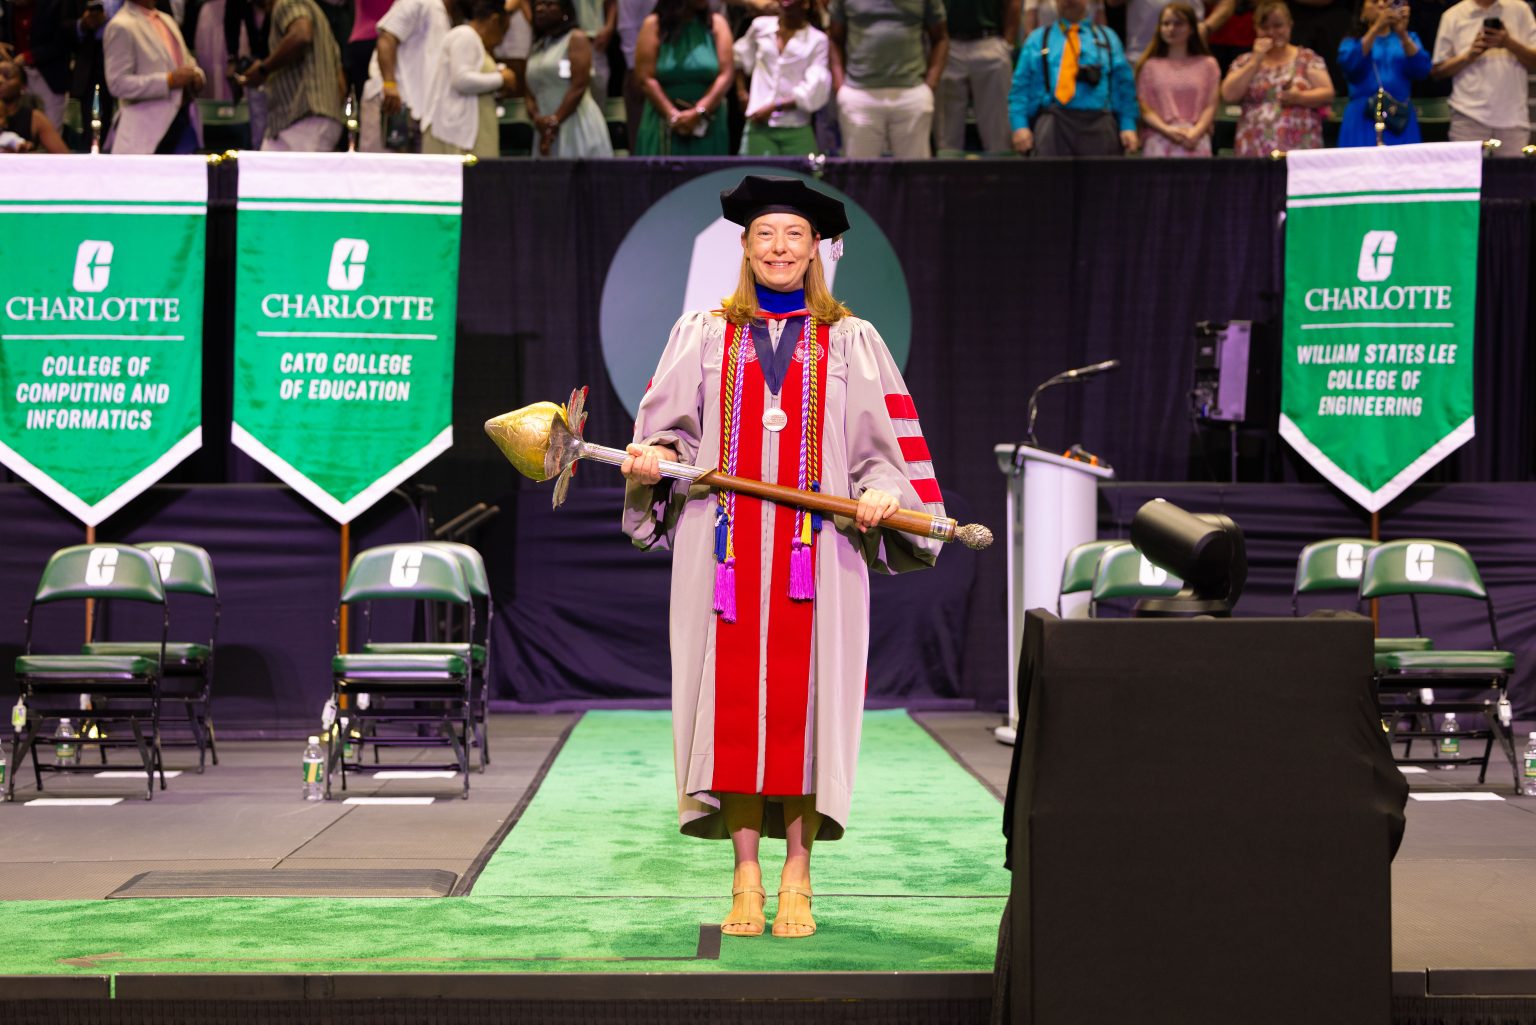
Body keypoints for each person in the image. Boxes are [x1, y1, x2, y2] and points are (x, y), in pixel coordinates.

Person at [620, 174, 945, 939]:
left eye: (793, 235)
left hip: (819, 551)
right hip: (722, 549)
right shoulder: (701, 334)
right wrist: (652, 455)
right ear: (744, 246)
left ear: (816, 248)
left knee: (810, 703)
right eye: (765, 234)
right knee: (725, 701)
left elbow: (883, 451)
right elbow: (668, 433)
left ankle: (798, 874)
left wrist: (878, 493)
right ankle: (744, 872)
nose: (778, 248)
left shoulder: (851, 341)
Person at [1009, 0, 1139, 155]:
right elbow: (1020, 88)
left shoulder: (1108, 38)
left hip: (1100, 122)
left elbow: (1125, 88)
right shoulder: (1038, 39)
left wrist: (1128, 126)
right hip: (1053, 122)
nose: (1069, 1)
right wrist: (1020, 126)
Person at [827, 0, 948, 157]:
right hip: (859, 94)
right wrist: (840, 86)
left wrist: (930, 85)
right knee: (860, 175)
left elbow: (940, 37)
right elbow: (835, 38)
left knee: (914, 176)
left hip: (912, 93)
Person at [1220, 0, 1332, 154]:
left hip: (1298, 146)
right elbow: (1229, 95)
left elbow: (1327, 93)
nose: (1272, 32)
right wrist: (1255, 61)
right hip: (1254, 147)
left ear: (1290, 25)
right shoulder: (1244, 61)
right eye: (1265, 28)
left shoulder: (1307, 58)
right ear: (1256, 29)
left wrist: (1299, 97)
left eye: (1278, 26)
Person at [236, 0, 346, 150]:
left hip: (304, 120)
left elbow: (301, 34)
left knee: (271, 170)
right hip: (318, 120)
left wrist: (263, 70)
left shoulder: (286, 2)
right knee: (263, 168)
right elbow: (341, 84)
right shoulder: (320, 17)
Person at [1430, 0, 1536, 152]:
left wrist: (1508, 43)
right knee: (1466, 175)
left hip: (1513, 117)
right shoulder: (1453, 15)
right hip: (1467, 116)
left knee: (1513, 175)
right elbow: (1437, 71)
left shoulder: (1520, 9)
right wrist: (1469, 55)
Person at [103, 0, 205, 152]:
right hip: (146, 133)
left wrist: (198, 76)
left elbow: (188, 62)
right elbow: (118, 84)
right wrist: (168, 80)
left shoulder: (167, 20)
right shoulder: (120, 25)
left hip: (184, 121)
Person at [632, 0, 733, 154]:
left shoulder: (716, 24)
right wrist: (673, 115)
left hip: (708, 121)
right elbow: (645, 78)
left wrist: (699, 112)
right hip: (662, 120)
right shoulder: (653, 25)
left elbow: (726, 74)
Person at [733, 0, 831, 155]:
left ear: (805, 3)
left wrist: (775, 106)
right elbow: (739, 56)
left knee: (805, 177)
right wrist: (741, 94)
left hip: (795, 125)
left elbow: (814, 88)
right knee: (753, 175)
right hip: (758, 124)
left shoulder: (817, 40)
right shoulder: (761, 26)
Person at [422, 0, 516, 155]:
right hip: (454, 133)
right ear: (494, 20)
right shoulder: (465, 35)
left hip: (469, 131)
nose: (500, 41)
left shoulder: (475, 42)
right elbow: (461, 80)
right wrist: (501, 79)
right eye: (503, 32)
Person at [359, 0, 455, 151]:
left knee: (407, 171)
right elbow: (386, 40)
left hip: (412, 111)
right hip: (389, 102)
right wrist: (389, 84)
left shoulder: (445, 16)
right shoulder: (418, 1)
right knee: (377, 169)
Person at [526, 0, 614, 154]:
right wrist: (537, 118)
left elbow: (579, 85)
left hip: (574, 122)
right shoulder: (537, 46)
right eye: (538, 5)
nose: (541, 9)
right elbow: (529, 90)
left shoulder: (576, 38)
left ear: (565, 11)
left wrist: (555, 120)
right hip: (544, 127)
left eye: (549, 4)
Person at [1337, 0, 1429, 145]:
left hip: (1398, 117)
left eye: (1386, 1)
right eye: (1374, 1)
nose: (1381, 5)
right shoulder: (1351, 42)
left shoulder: (1408, 38)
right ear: (1362, 12)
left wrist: (1403, 34)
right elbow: (1350, 66)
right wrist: (1376, 28)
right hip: (1362, 117)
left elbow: (1422, 70)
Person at [1135, 1, 1219, 154]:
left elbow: (1211, 106)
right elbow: (1144, 107)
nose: (1171, 29)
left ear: (1192, 28)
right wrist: (1167, 130)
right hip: (1159, 139)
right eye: (1166, 24)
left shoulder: (1208, 65)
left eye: (1178, 23)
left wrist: (1196, 132)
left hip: (1196, 139)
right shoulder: (1150, 66)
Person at [934, 0, 1017, 152]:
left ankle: (1001, 174)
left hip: (989, 42)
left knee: (999, 133)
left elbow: (1013, 4)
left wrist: (1007, 45)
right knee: (946, 136)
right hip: (949, 44)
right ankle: (947, 174)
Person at [0, 55, 70, 150]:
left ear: (23, 86)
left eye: (7, 76)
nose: (0, 80)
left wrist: (23, 157)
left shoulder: (35, 118)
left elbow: (63, 156)